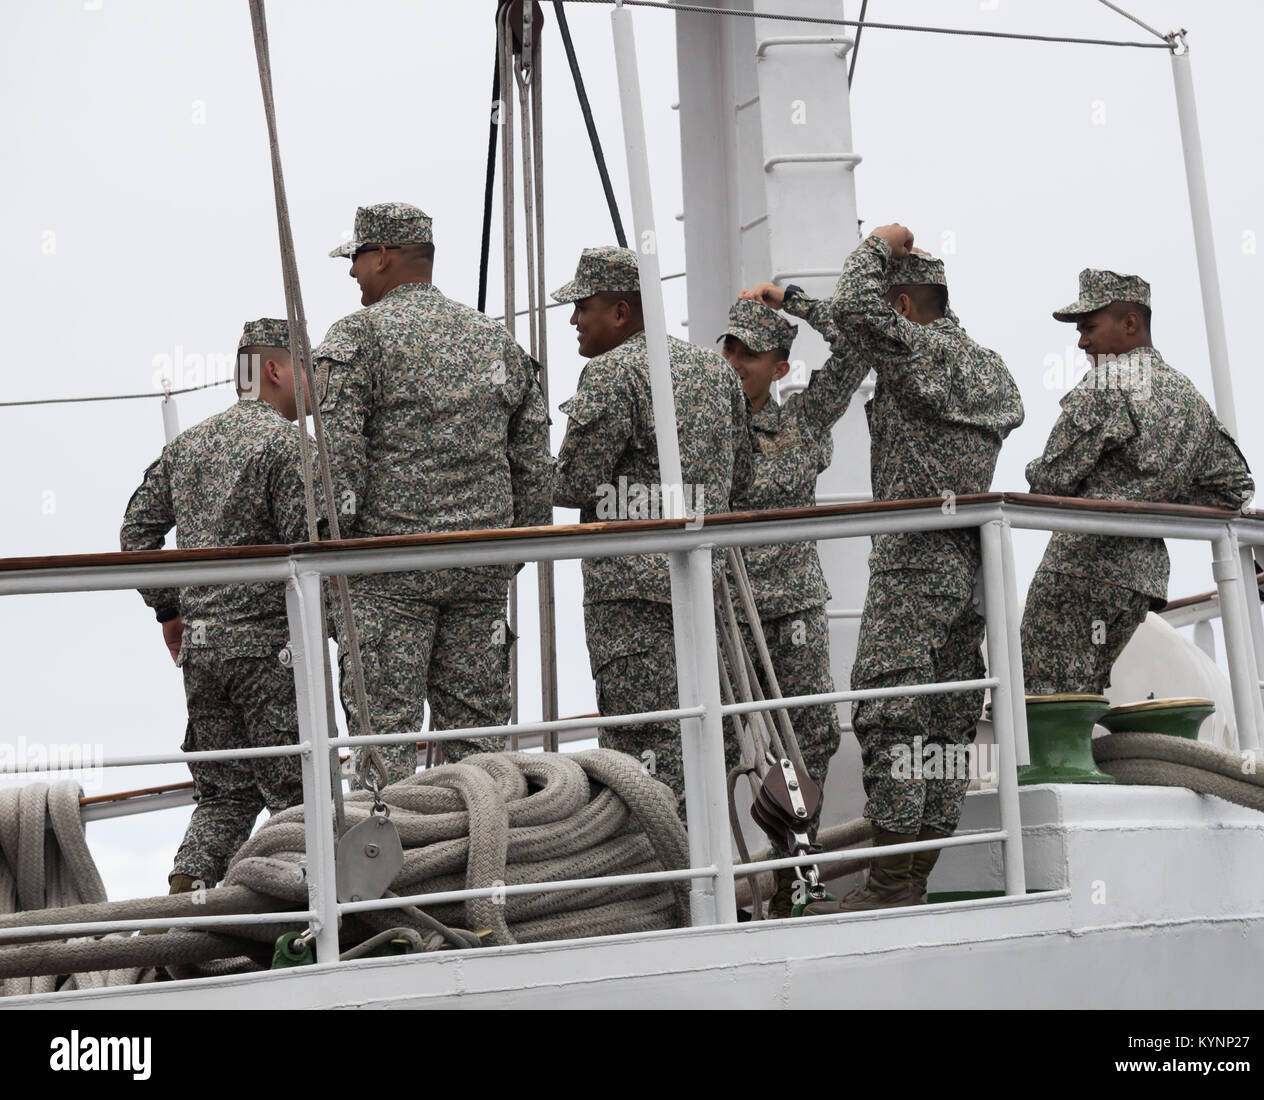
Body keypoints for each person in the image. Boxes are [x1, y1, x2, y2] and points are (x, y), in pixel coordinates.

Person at [804, 223, 1024, 914]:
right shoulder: (984, 364)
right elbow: (858, 327)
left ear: (901, 309)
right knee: (948, 721)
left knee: (890, 709)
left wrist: (878, 245)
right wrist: (789, 300)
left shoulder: (913, 348)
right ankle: (914, 876)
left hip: (914, 564)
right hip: (970, 571)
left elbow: (858, 316)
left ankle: (890, 886)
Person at [314, 202, 554, 785]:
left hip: (386, 574)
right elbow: (533, 467)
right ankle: (489, 862)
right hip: (478, 570)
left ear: (384, 256)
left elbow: (336, 463)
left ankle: (397, 867)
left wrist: (330, 559)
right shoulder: (495, 341)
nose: (351, 274)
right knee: (482, 750)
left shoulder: (359, 336)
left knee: (384, 746)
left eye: (357, 259)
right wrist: (505, 556)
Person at [553, 246, 751, 815]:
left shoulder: (612, 373)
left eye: (582, 307)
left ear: (620, 312)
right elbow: (744, 476)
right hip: (706, 589)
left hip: (632, 601)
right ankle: (706, 874)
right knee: (702, 737)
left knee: (640, 752)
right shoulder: (716, 372)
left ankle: (662, 888)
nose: (573, 320)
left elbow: (573, 483)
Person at [120, 318, 316, 893]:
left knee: (224, 797)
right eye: (307, 369)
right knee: (297, 799)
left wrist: (170, 612)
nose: (316, 384)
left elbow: (137, 533)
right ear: (276, 370)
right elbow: (307, 554)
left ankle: (185, 913)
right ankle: (302, 924)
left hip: (203, 656)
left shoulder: (187, 447)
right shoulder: (288, 446)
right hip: (270, 656)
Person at [1020, 269, 1254, 696]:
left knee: (1041, 696)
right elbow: (1234, 488)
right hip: (1139, 580)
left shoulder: (1108, 382)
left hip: (1080, 571)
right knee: (1083, 694)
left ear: (1130, 323)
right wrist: (1151, 490)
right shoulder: (1187, 395)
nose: (1081, 342)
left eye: (1089, 327)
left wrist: (1087, 484)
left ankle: (1059, 764)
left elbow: (1050, 481)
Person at [718, 288, 870, 912]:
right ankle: (709, 890)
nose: (732, 363)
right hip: (724, 612)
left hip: (793, 610)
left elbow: (859, 346)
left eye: (748, 354)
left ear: (779, 367)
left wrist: (793, 300)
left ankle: (794, 882)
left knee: (808, 742)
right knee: (716, 746)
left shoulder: (802, 420)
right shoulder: (698, 421)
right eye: (727, 348)